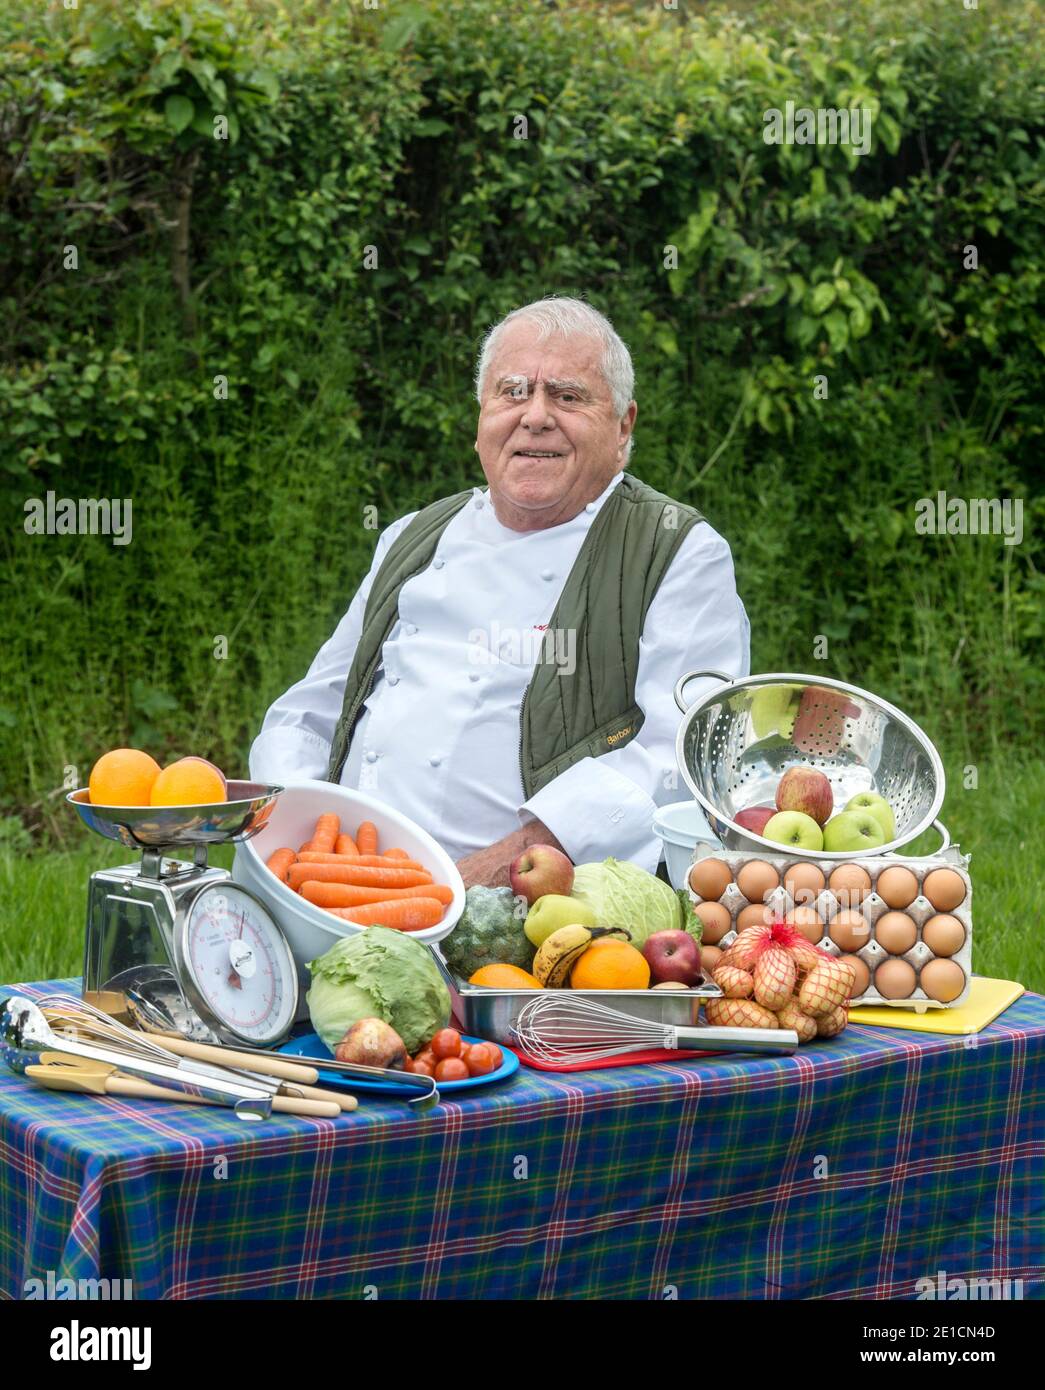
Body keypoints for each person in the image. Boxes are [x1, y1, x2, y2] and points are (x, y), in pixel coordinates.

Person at [249, 297, 749, 885]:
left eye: (567, 395)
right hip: (343, 887)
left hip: (532, 917)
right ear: (481, 418)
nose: (535, 416)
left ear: (623, 427)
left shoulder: (677, 550)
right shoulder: (411, 536)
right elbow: (310, 712)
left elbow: (681, 753)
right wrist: (298, 840)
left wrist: (492, 872)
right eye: (513, 392)